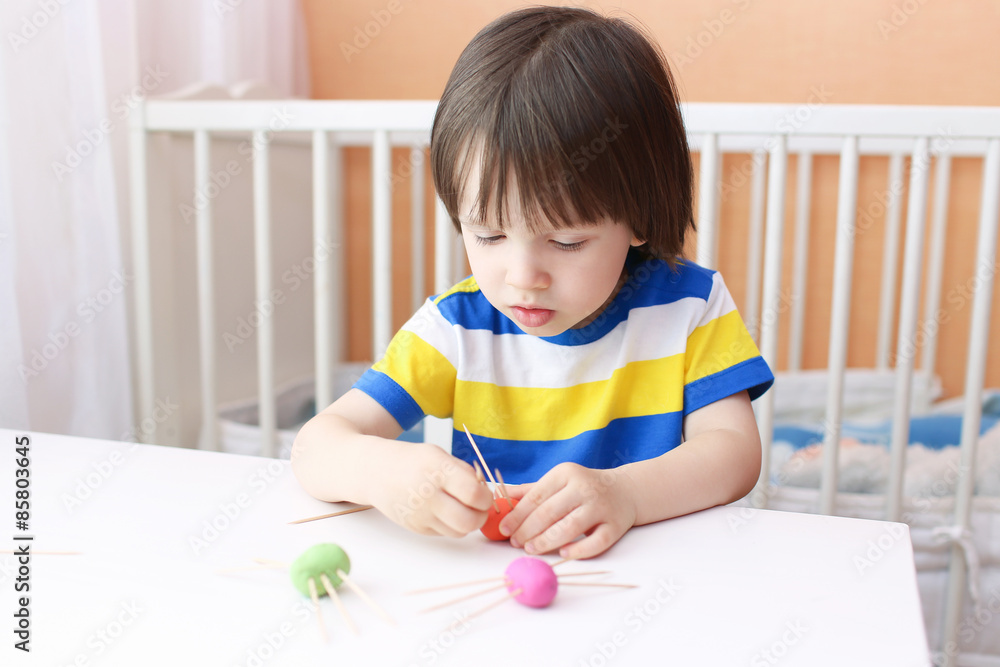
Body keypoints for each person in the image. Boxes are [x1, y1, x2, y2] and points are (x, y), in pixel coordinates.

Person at [291, 6, 773, 560]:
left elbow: (735, 454)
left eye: (566, 242)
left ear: (639, 215)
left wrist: (627, 495)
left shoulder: (690, 307)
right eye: (488, 236)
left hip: (651, 583)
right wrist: (380, 471)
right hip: (496, 589)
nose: (522, 279)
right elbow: (314, 447)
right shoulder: (457, 327)